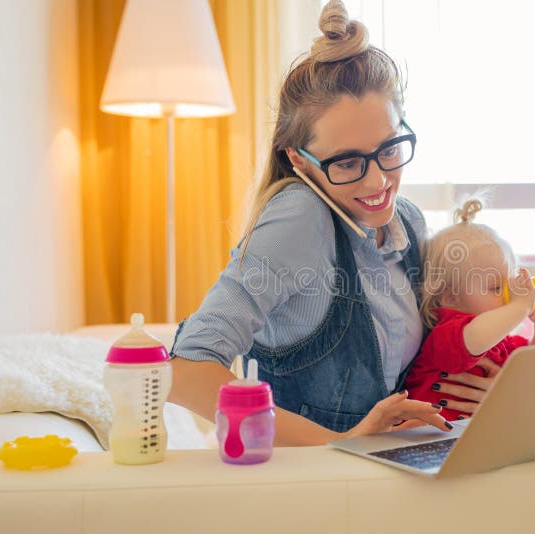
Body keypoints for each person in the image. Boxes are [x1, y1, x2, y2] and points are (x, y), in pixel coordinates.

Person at [167, 0, 499, 446]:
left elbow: (427, 360)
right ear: (299, 162)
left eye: (390, 148)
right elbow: (187, 372)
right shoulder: (299, 218)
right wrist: (341, 445)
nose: (379, 180)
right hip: (316, 487)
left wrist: (487, 389)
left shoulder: (407, 222)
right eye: (346, 162)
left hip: (395, 470)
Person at [404, 197, 535, 421]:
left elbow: (534, 365)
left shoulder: (499, 340)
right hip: (427, 441)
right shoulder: (447, 334)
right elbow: (475, 337)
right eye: (496, 287)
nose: (508, 293)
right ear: (450, 296)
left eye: (507, 284)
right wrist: (520, 305)